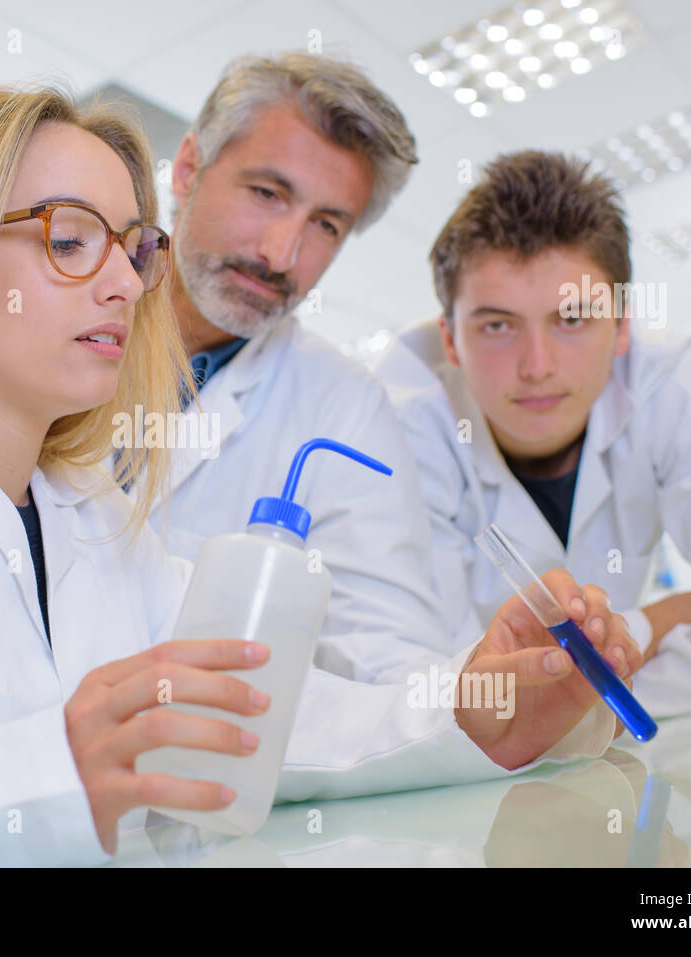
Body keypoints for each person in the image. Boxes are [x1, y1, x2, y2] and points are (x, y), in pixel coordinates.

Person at [0, 85, 643, 865]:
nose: (125, 281)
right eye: (72, 240)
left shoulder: (99, 522)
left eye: (131, 247)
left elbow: (272, 715)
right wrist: (35, 776)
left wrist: (480, 702)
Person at [376, 150, 691, 716]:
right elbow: (411, 692)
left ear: (622, 323)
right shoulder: (403, 415)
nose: (537, 365)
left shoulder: (666, 379)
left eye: (574, 318)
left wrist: (628, 632)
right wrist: (669, 617)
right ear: (451, 340)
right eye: (497, 325)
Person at [142, 52, 454, 683]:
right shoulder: (51, 309)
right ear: (187, 169)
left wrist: (484, 695)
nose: (280, 254)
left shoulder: (343, 405)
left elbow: (384, 648)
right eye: (267, 193)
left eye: (326, 225)